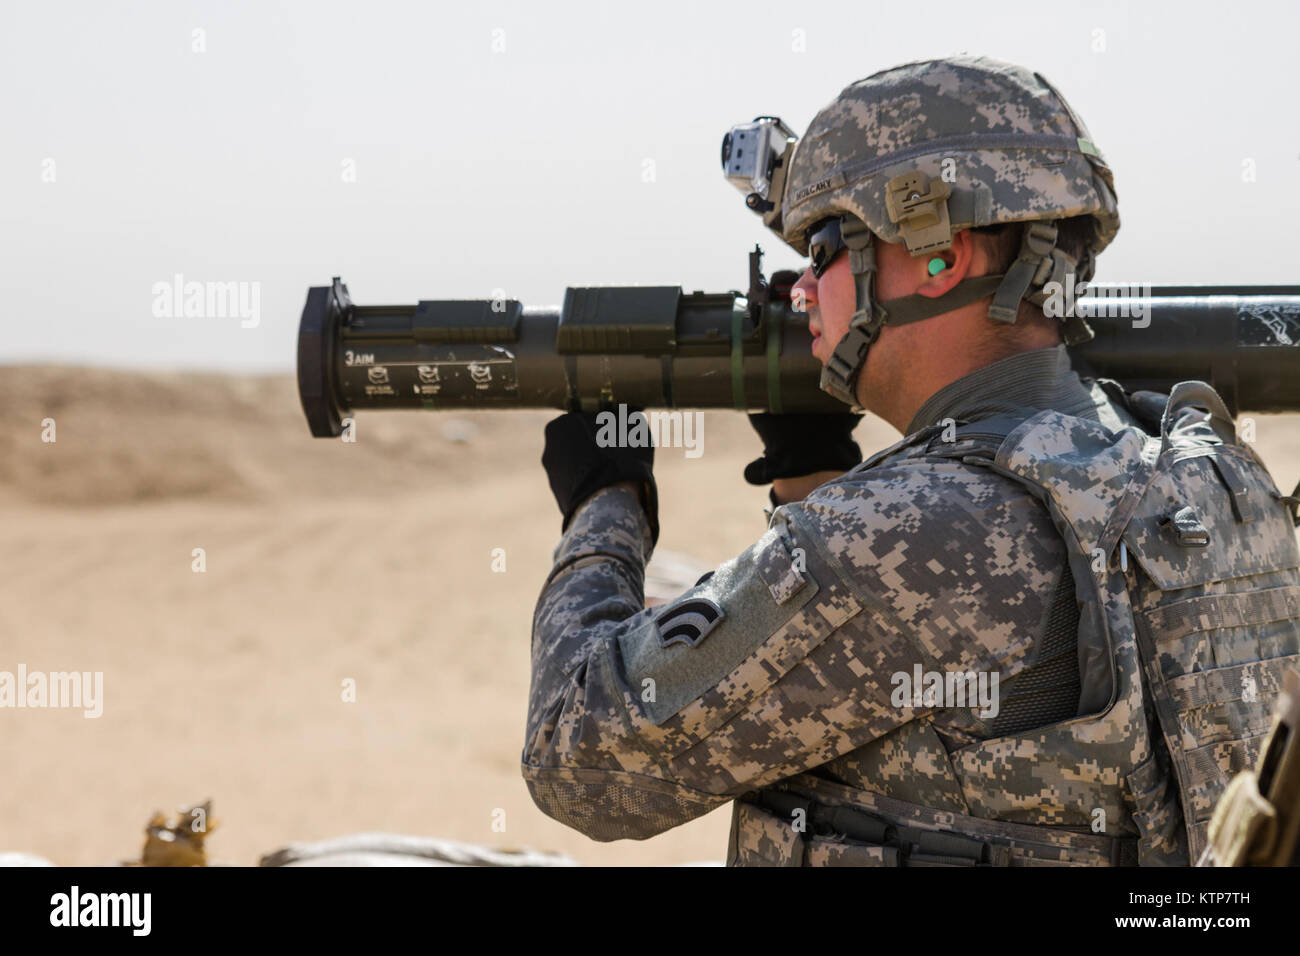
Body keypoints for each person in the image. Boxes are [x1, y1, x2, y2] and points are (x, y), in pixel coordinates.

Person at [523, 55, 1300, 866]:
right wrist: (814, 474)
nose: (799, 290)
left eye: (824, 247)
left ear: (943, 255)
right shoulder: (1211, 475)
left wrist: (603, 501)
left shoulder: (909, 532)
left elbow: (579, 757)